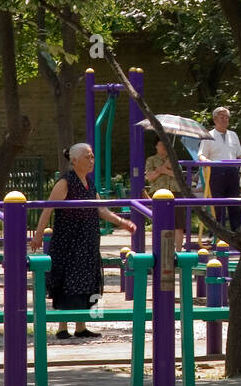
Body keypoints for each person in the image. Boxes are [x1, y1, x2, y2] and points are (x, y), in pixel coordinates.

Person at [30, 144, 137, 340]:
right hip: (68, 241)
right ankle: (63, 326)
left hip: (87, 240)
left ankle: (81, 326)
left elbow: (101, 210)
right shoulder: (65, 182)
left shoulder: (89, 182)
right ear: (75, 160)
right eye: (87, 157)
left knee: (86, 280)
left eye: (92, 157)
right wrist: (38, 234)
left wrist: (123, 222)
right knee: (67, 281)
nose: (91, 161)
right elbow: (48, 209)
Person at [199, 106, 241, 231]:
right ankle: (218, 233)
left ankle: (238, 231)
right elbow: (201, 154)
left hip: (232, 171)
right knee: (217, 205)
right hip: (216, 172)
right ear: (214, 120)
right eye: (221, 117)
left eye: (227, 117)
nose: (224, 120)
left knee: (235, 203)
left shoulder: (233, 135)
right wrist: (206, 161)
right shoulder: (208, 135)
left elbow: (240, 154)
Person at [144, 138, 186, 250]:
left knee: (179, 223)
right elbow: (149, 177)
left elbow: (179, 176)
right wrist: (159, 170)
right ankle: (161, 248)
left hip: (175, 191)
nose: (163, 147)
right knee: (161, 222)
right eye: (161, 144)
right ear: (156, 146)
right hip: (159, 194)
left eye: (165, 144)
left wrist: (166, 169)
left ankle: (178, 250)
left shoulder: (173, 160)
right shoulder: (151, 160)